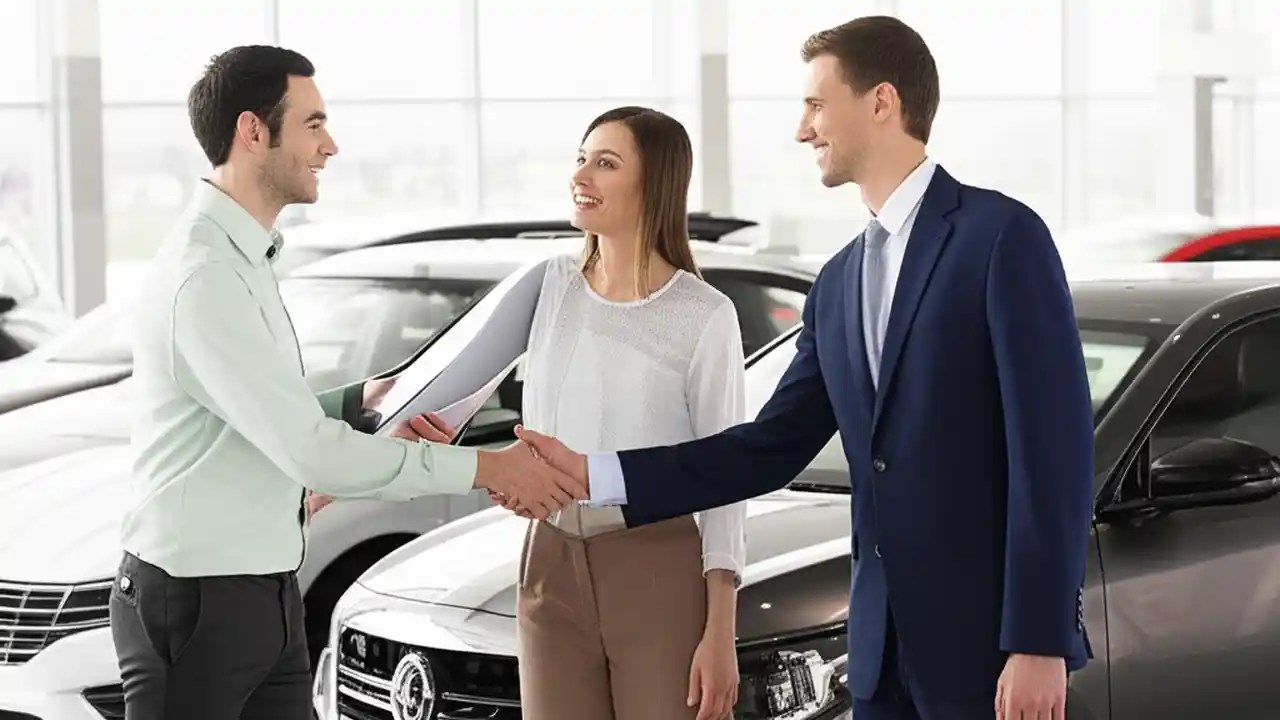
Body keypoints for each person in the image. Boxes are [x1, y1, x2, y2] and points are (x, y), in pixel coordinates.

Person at [516, 16, 1095, 720]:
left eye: (816, 105)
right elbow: (769, 449)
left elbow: (1053, 454)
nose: (802, 129)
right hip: (878, 657)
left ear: (881, 102)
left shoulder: (1002, 238)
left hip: (990, 655)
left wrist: (1040, 641)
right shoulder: (838, 283)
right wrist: (598, 473)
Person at [111, 45, 583, 720]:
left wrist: (365, 401)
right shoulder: (207, 275)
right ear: (252, 132)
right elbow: (310, 453)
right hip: (196, 603)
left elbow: (251, 415)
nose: (330, 146)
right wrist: (487, 467)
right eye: (312, 124)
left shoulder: (244, 260)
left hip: (260, 594)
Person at [419, 106, 747, 720]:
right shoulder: (548, 285)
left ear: (655, 183)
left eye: (606, 162)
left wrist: (720, 629)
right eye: (580, 157)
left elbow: (726, 479)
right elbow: (444, 398)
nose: (582, 174)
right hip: (548, 561)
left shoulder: (704, 315)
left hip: (656, 564)